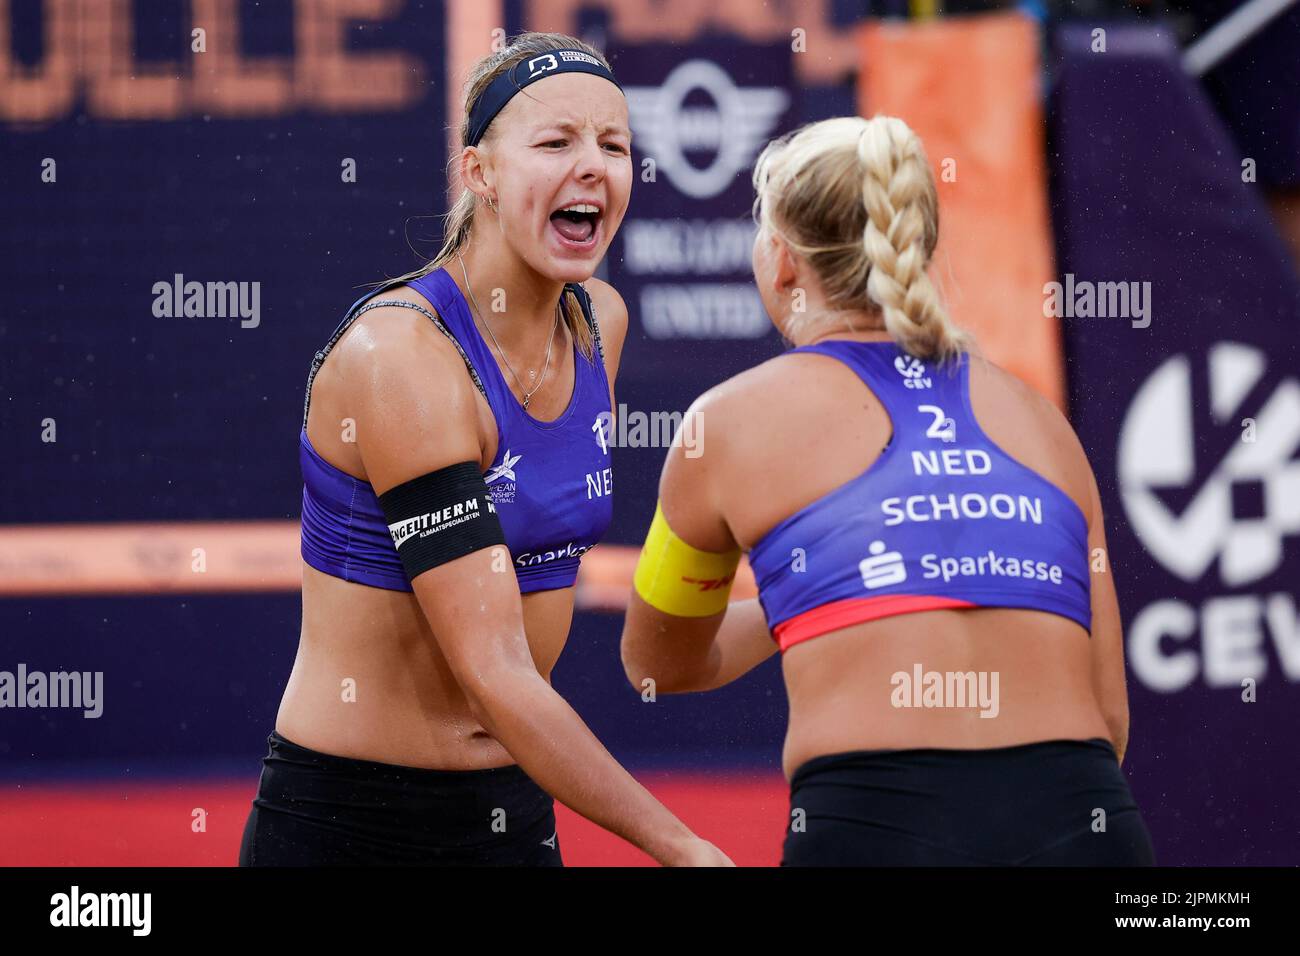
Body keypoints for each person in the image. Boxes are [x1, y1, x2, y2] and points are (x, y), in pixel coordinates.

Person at [240, 32, 730, 867]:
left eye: (614, 145)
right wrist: (679, 846)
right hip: (349, 825)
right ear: (480, 174)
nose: (593, 166)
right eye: (554, 142)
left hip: (511, 809)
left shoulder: (598, 322)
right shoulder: (400, 359)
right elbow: (495, 672)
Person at [620, 115, 1155, 866]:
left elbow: (658, 666)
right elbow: (1109, 714)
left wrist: (818, 590)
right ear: (920, 248)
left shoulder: (723, 424)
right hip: (1081, 817)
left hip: (879, 825)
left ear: (780, 262)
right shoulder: (1043, 423)